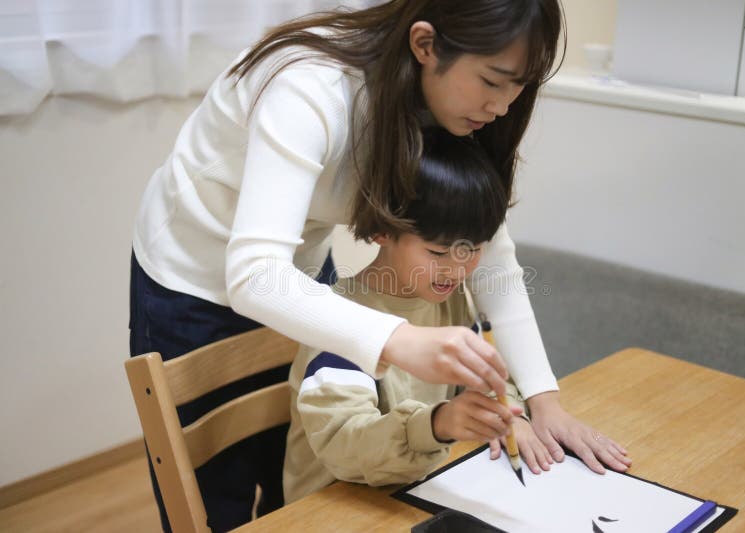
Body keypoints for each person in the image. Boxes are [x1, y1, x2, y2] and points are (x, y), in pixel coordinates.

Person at [129, 1, 629, 531]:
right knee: (219, 495)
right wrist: (401, 340)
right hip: (195, 269)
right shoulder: (310, 89)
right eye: (492, 81)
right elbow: (255, 276)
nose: (503, 106)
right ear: (425, 44)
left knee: (290, 473)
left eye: (519, 87)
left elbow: (495, 262)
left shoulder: (451, 106)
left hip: (293, 269)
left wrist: (544, 402)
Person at [284, 127, 533, 503]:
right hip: (334, 507)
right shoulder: (340, 319)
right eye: (438, 252)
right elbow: (343, 446)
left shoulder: (447, 296)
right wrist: (437, 424)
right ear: (382, 229)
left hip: (410, 488)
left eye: (474, 249)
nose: (456, 269)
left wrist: (508, 412)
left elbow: (487, 378)